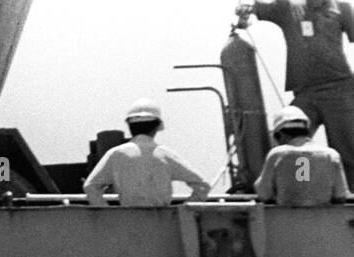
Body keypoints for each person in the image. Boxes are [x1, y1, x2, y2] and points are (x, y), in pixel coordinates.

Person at [237, 1, 354, 184]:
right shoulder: (287, 8)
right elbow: (255, 7)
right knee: (288, 142)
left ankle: (348, 200)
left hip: (339, 89)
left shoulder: (342, 8)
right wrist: (245, 9)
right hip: (305, 93)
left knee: (347, 152)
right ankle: (300, 188)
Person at [83, 99, 212, 206]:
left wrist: (110, 216)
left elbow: (90, 187)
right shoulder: (165, 155)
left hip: (128, 223)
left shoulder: (116, 154)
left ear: (129, 126)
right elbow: (202, 186)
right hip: (163, 223)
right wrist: (180, 212)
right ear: (157, 126)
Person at [256, 104, 351, 202]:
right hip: (323, 216)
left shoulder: (276, 154)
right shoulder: (331, 155)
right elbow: (340, 195)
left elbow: (264, 194)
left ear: (281, 135)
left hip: (285, 216)